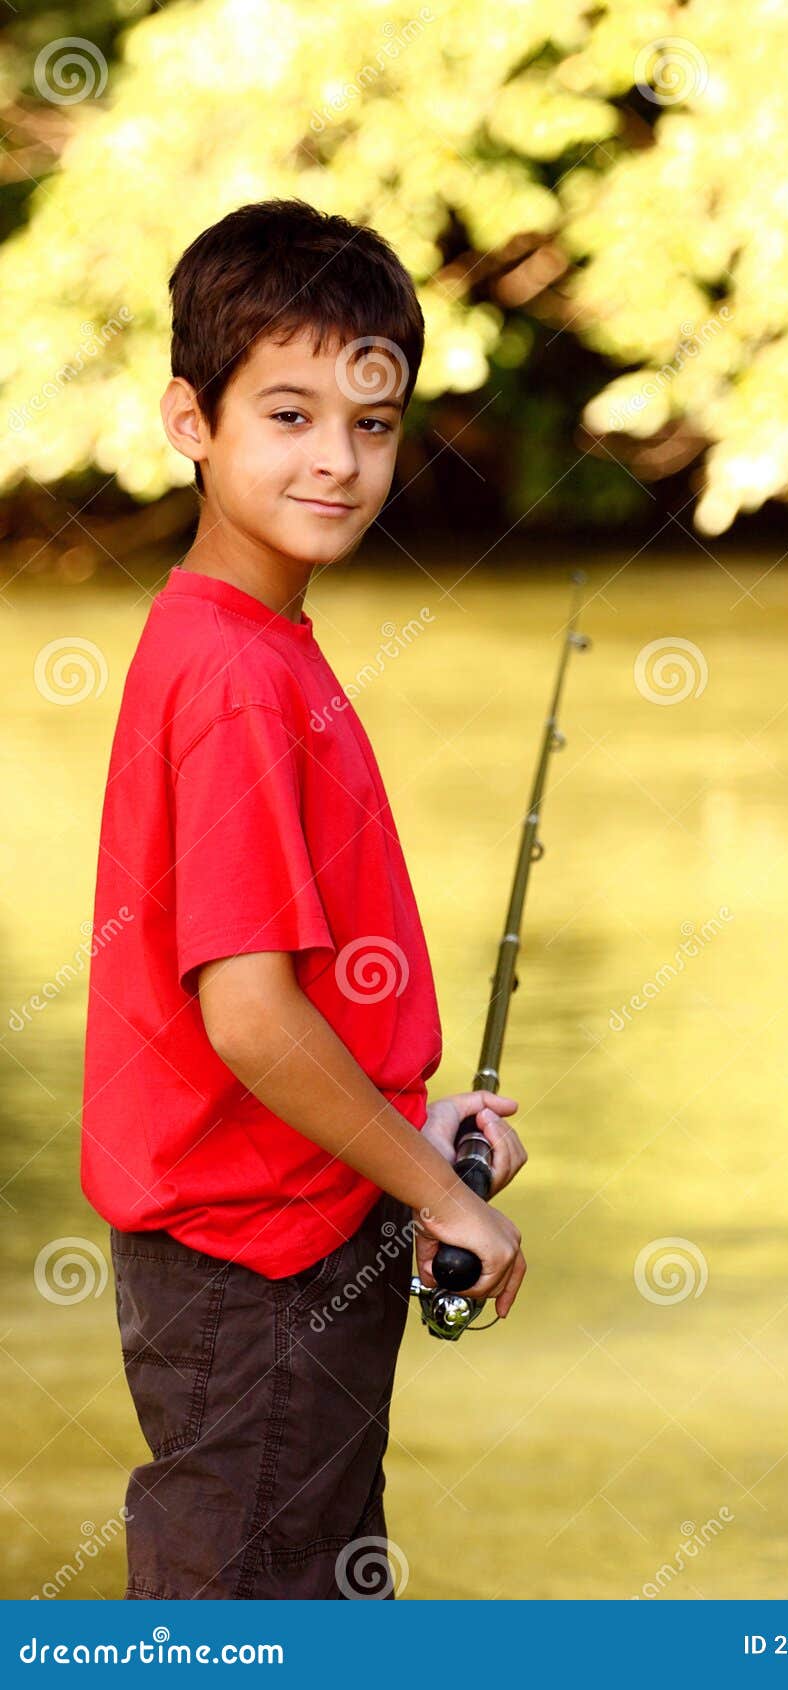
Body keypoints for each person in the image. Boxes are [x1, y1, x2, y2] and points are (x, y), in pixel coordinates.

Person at [79, 198, 527, 1600]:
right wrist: (453, 1206)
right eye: (287, 413)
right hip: (254, 1272)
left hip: (277, 1247)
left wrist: (409, 1128)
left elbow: (288, 1009)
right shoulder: (237, 678)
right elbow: (251, 1016)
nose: (337, 458)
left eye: (373, 423)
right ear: (190, 420)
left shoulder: (242, 637)